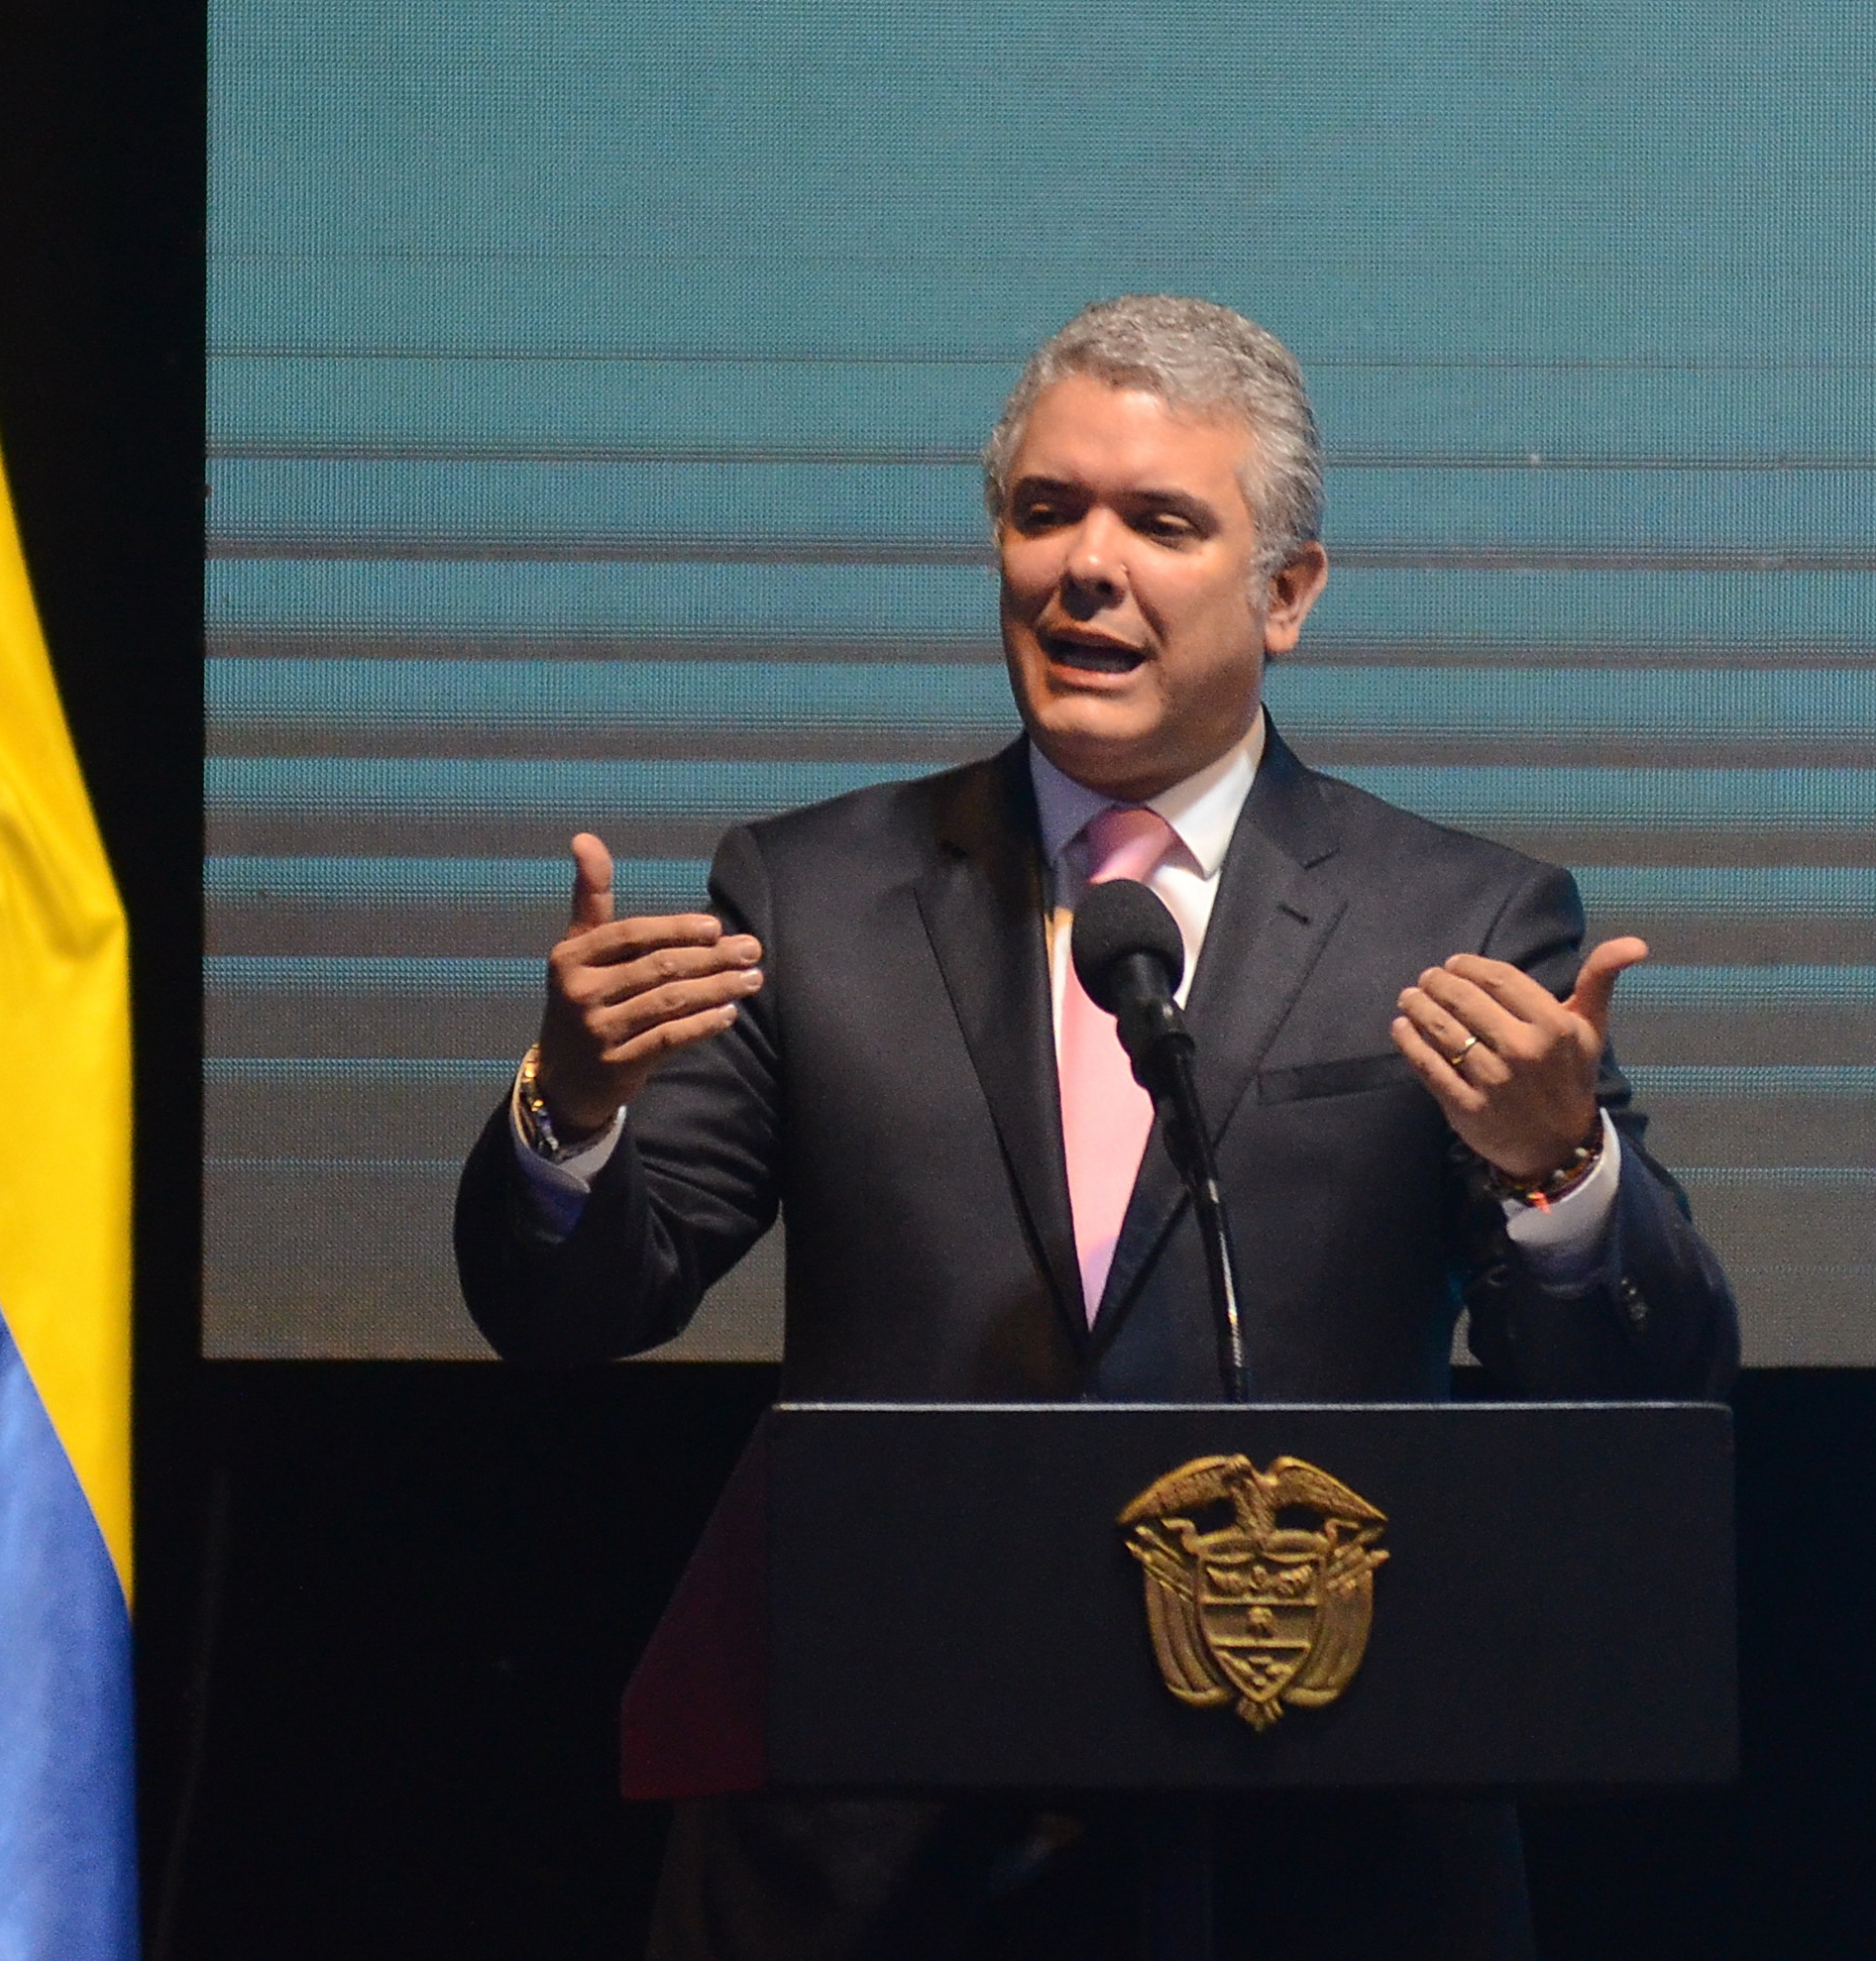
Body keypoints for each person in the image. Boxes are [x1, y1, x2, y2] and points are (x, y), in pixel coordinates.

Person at [454, 295, 1737, 1960]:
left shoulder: (1464, 915)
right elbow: (567, 1308)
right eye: (1044, 510)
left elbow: (1652, 1384)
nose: (1083, 566)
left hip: (1312, 1848)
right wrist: (572, 1112)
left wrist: (1559, 1176)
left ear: (1287, 596)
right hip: (876, 1859)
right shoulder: (815, 895)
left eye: (1161, 522)